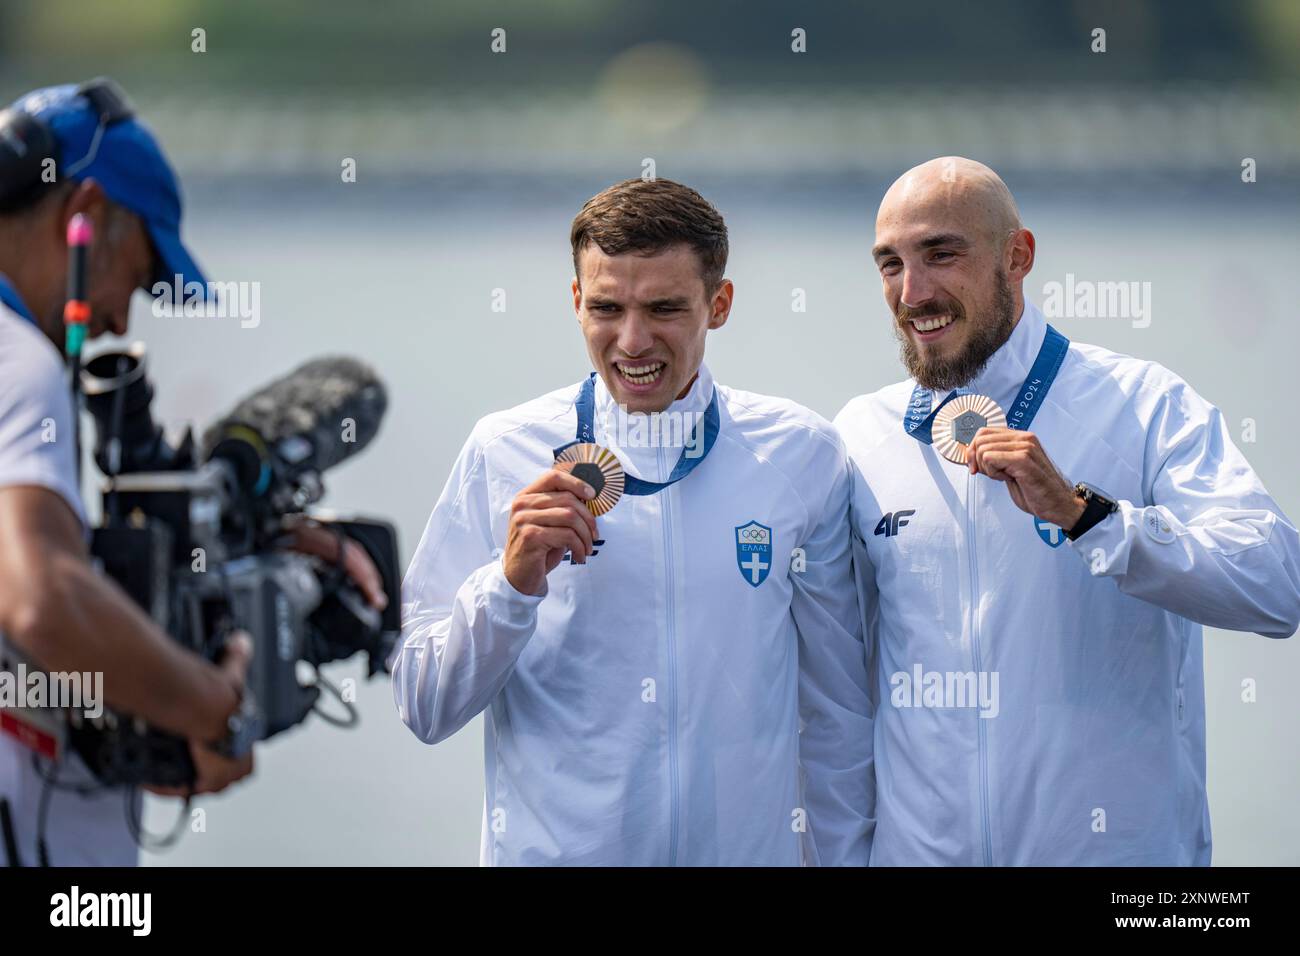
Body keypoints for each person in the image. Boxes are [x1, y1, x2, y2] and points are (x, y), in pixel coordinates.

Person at [833, 156, 1300, 865]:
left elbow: (1275, 584)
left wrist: (1090, 518)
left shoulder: (1144, 404)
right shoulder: (859, 433)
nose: (913, 292)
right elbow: (826, 678)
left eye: (941, 255)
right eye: (889, 264)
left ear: (1017, 257)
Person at [394, 178, 873, 866]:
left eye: (665, 309)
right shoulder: (502, 450)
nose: (632, 340)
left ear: (721, 303)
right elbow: (423, 706)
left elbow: (839, 717)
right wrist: (508, 586)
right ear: (575, 302)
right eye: (607, 308)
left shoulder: (801, 452)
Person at [0, 79, 383, 865]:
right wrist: (212, 709)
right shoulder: (20, 365)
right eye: (135, 278)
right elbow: (42, 600)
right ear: (88, 216)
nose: (120, 319)